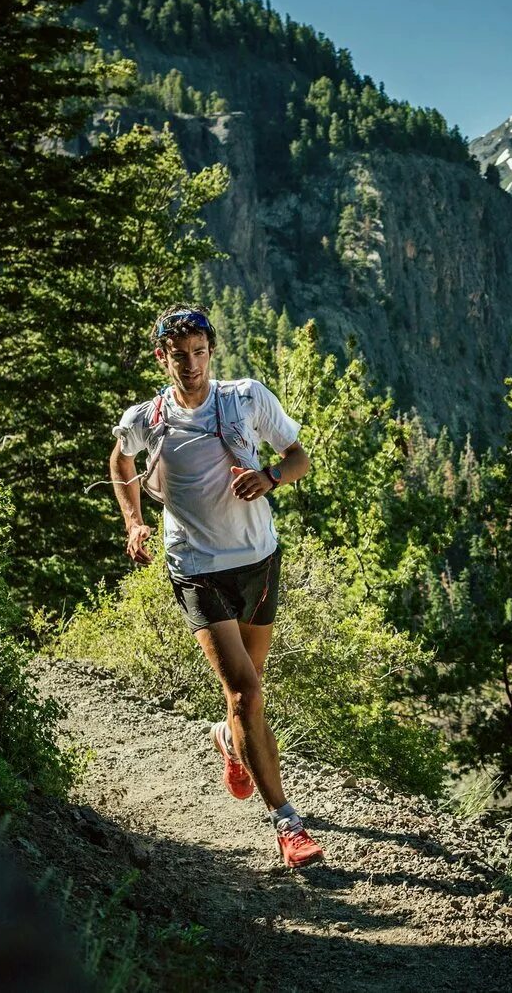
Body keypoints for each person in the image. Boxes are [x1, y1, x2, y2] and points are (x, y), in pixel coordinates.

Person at [107, 306, 324, 869]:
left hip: (259, 561)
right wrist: (133, 521)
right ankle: (288, 823)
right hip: (196, 568)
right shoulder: (148, 418)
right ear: (163, 357)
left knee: (252, 689)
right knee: (244, 695)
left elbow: (297, 456)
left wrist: (271, 477)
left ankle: (230, 743)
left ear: (210, 351)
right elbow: (119, 459)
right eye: (179, 355)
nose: (191, 364)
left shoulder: (247, 398)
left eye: (199, 352)